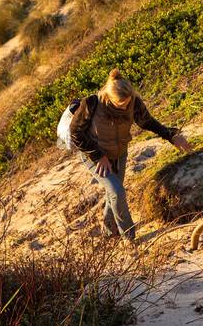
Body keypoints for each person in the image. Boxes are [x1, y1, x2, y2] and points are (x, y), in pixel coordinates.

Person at [69, 68, 192, 240]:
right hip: (94, 155)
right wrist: (99, 156)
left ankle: (109, 233)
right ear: (109, 97)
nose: (126, 106)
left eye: (128, 102)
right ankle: (129, 238)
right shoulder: (92, 104)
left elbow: (148, 122)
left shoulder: (133, 102)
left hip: (119, 153)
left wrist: (171, 136)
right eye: (121, 104)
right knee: (117, 192)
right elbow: (75, 133)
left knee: (114, 192)